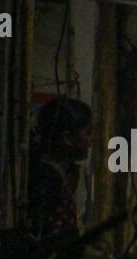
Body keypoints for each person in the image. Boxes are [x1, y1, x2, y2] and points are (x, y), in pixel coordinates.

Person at [26, 98, 92, 240]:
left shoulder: (57, 173)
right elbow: (50, 240)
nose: (90, 141)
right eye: (87, 133)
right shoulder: (49, 179)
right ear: (67, 138)